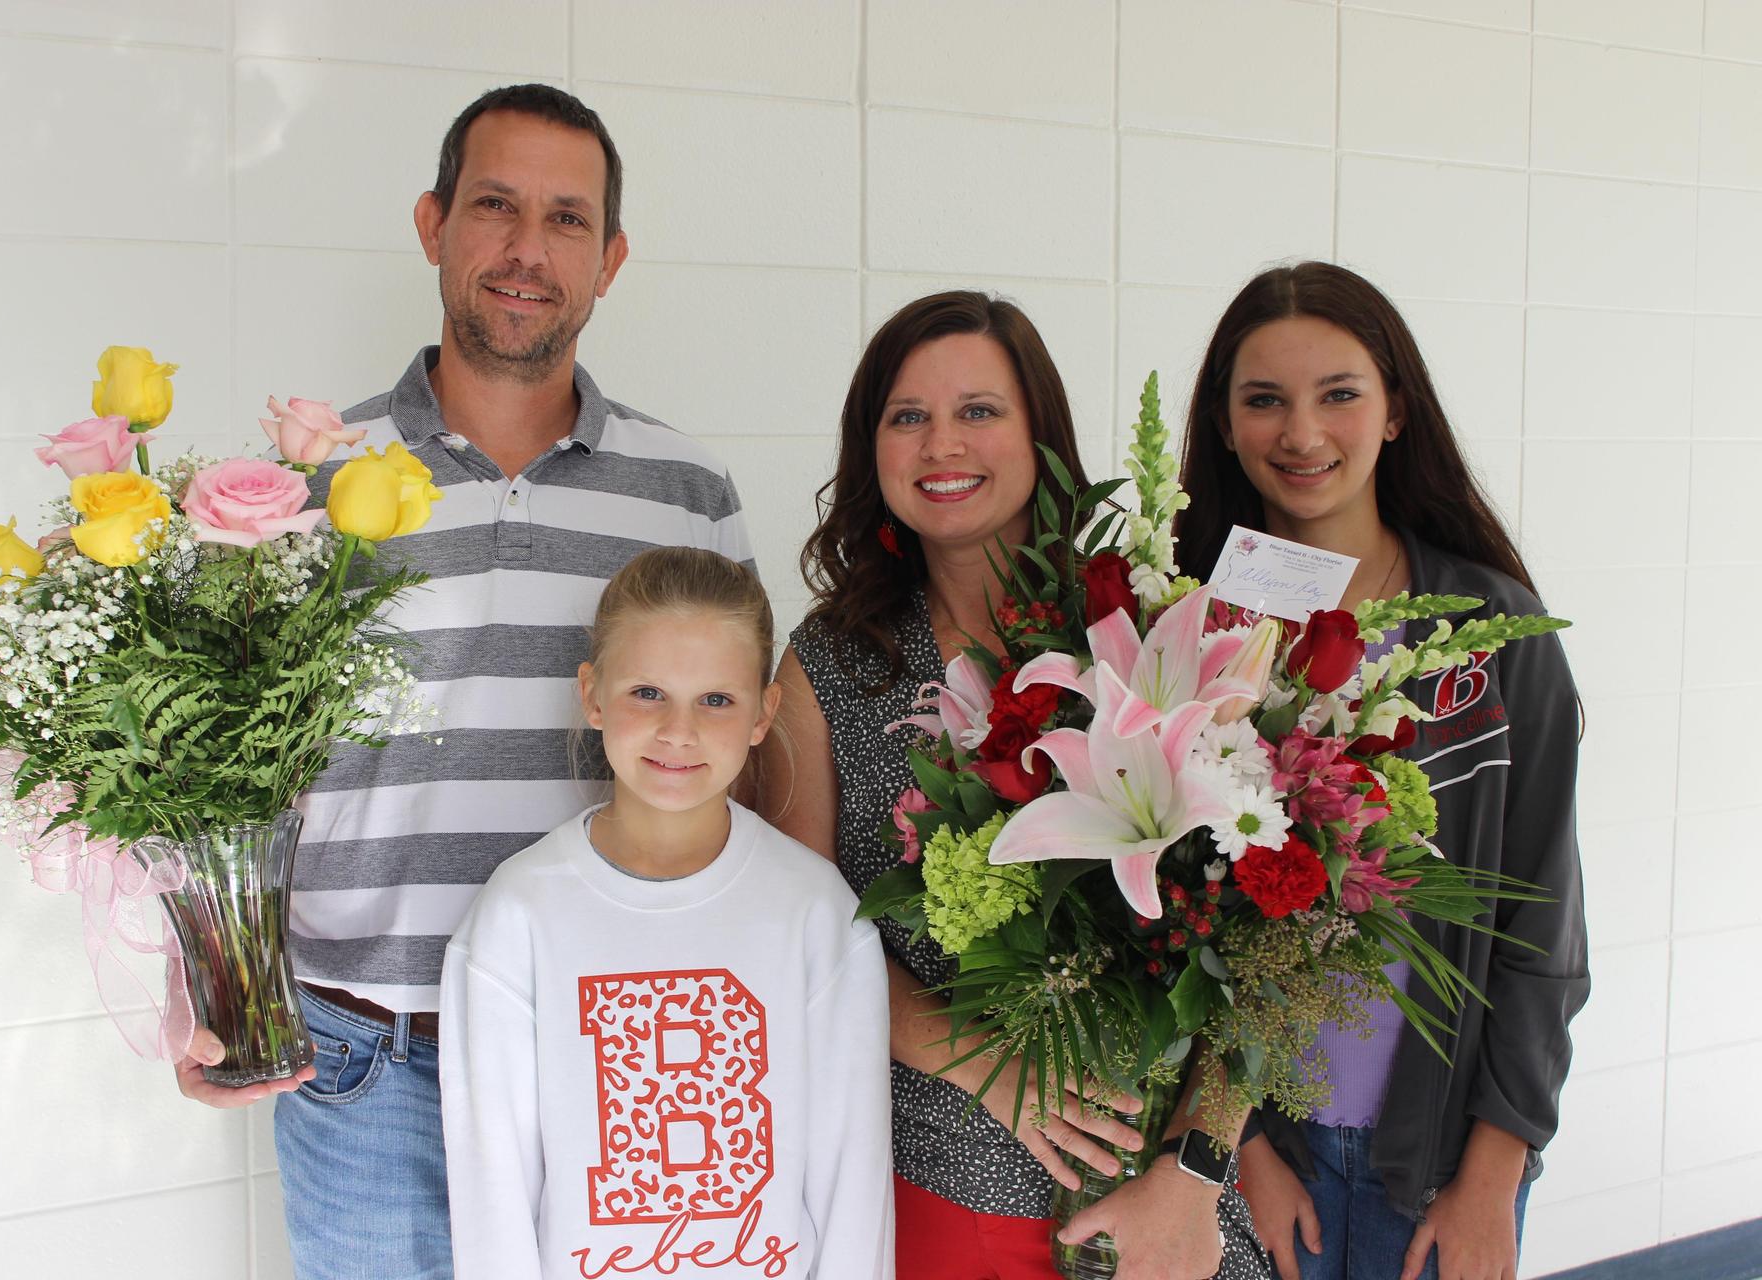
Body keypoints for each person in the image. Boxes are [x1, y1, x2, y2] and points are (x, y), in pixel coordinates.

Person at [172, 85, 753, 1280]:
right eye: (495, 205)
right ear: (433, 223)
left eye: (567, 218)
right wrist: (199, 987)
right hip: (367, 1064)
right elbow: (213, 772)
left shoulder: (687, 492)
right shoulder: (297, 486)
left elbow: (744, 761)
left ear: (612, 259)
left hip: (612, 1042)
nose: (528, 248)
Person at [760, 290, 1271, 1280]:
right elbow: (802, 939)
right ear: (872, 448)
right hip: (938, 1185)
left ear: (1042, 434)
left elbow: (1268, 943)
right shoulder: (826, 667)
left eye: (979, 410)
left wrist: (1194, 1167)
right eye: (908, 416)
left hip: (1166, 1204)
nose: (942, 444)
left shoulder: (1147, 623)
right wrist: (994, 1067)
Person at [1174, 261, 1588, 1280]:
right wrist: (1241, 1149)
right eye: (1263, 400)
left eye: (1339, 394)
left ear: (1396, 410)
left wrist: (1493, 1173)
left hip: (1440, 1168)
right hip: (1256, 1155)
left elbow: (1542, 926)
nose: (1302, 433)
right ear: (1224, 424)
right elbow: (1161, 923)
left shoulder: (1490, 633)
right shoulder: (1186, 624)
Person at [439, 546, 893, 1278]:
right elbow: (493, 1194)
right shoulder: (518, 915)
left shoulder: (815, 912)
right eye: (647, 692)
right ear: (592, 696)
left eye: (716, 700)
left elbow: (854, 1189)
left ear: (763, 713)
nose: (679, 731)